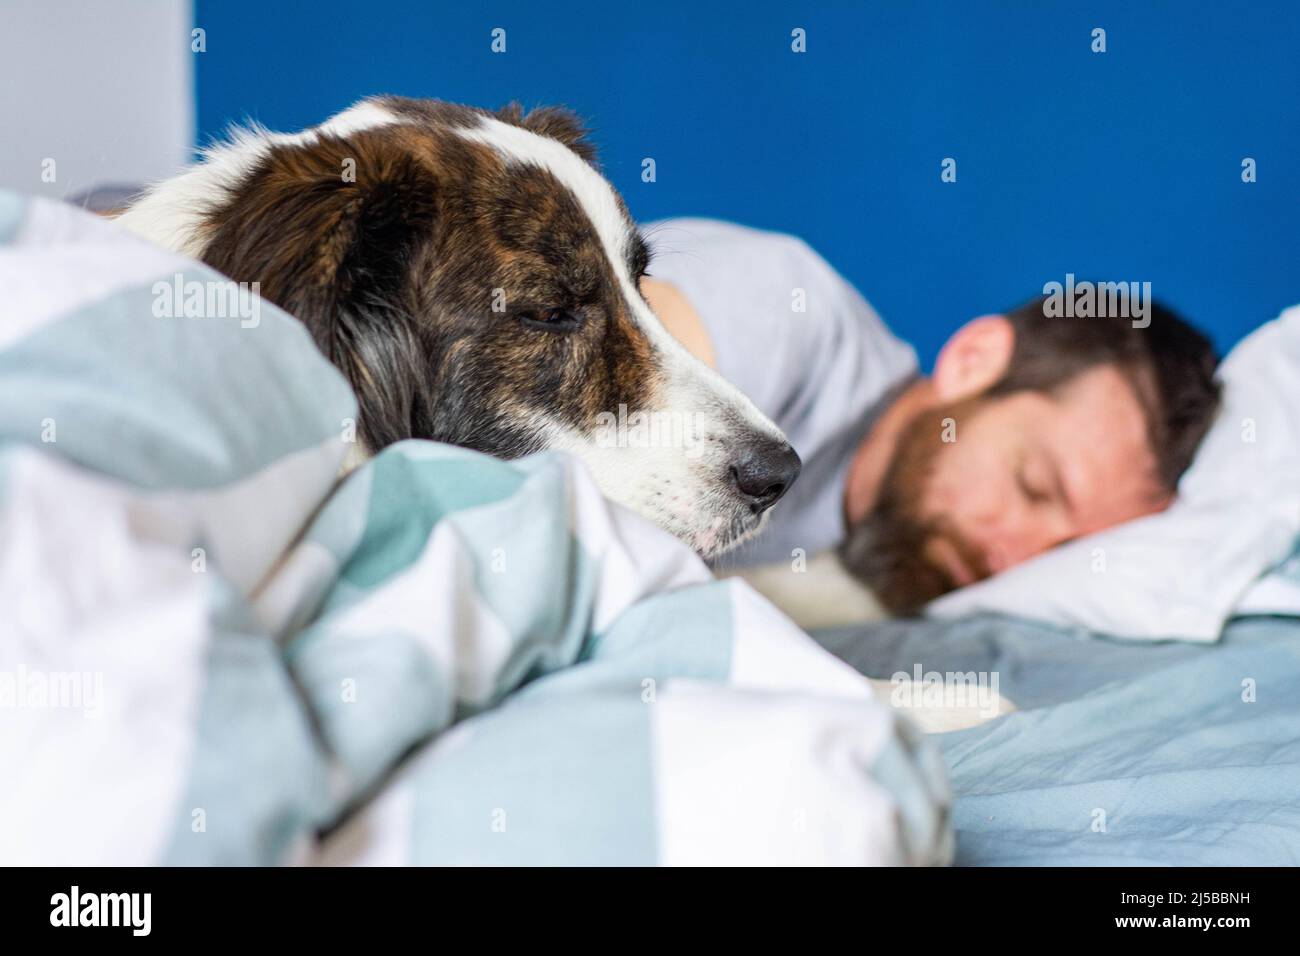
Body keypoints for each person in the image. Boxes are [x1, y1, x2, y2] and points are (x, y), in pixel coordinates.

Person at [639, 219, 1221, 615]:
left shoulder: (901, 575)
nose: (1015, 557)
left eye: (1061, 551)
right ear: (973, 362)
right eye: (1034, 486)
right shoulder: (782, 311)